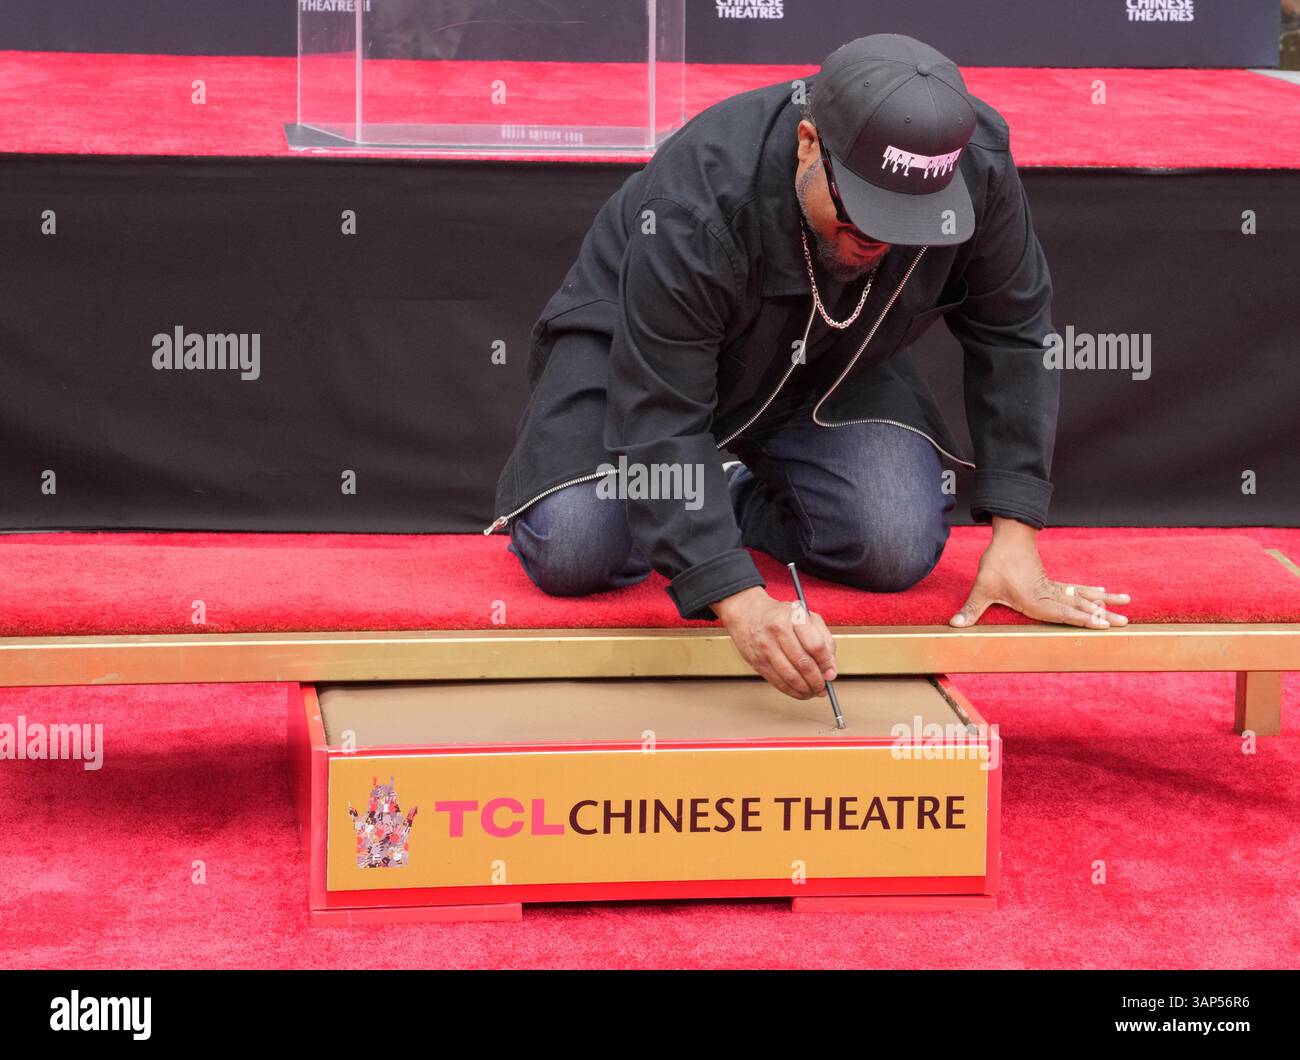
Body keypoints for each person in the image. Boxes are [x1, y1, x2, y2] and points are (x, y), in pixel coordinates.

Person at [487, 34, 1130, 701]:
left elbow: (1014, 333)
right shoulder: (695, 202)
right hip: (639, 358)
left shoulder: (976, 165)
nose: (877, 241)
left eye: (908, 222)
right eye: (859, 213)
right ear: (807, 143)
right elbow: (660, 412)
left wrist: (1017, 537)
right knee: (576, 545)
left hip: (826, 357)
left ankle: (727, 491)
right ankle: (686, 510)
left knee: (893, 546)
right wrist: (735, 595)